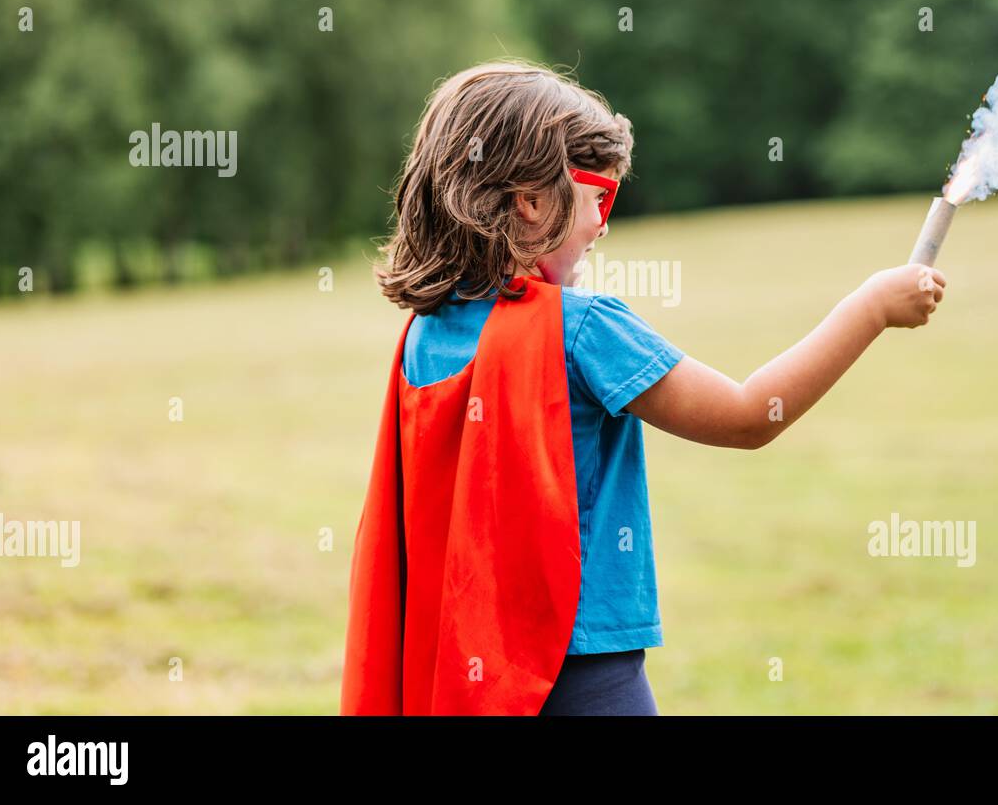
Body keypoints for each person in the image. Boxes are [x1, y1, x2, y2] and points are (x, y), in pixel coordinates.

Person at [340, 60, 946, 716]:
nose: (603, 224)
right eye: (599, 197)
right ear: (531, 200)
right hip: (583, 674)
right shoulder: (581, 328)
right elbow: (749, 416)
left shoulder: (425, 332)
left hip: (467, 674)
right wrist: (871, 308)